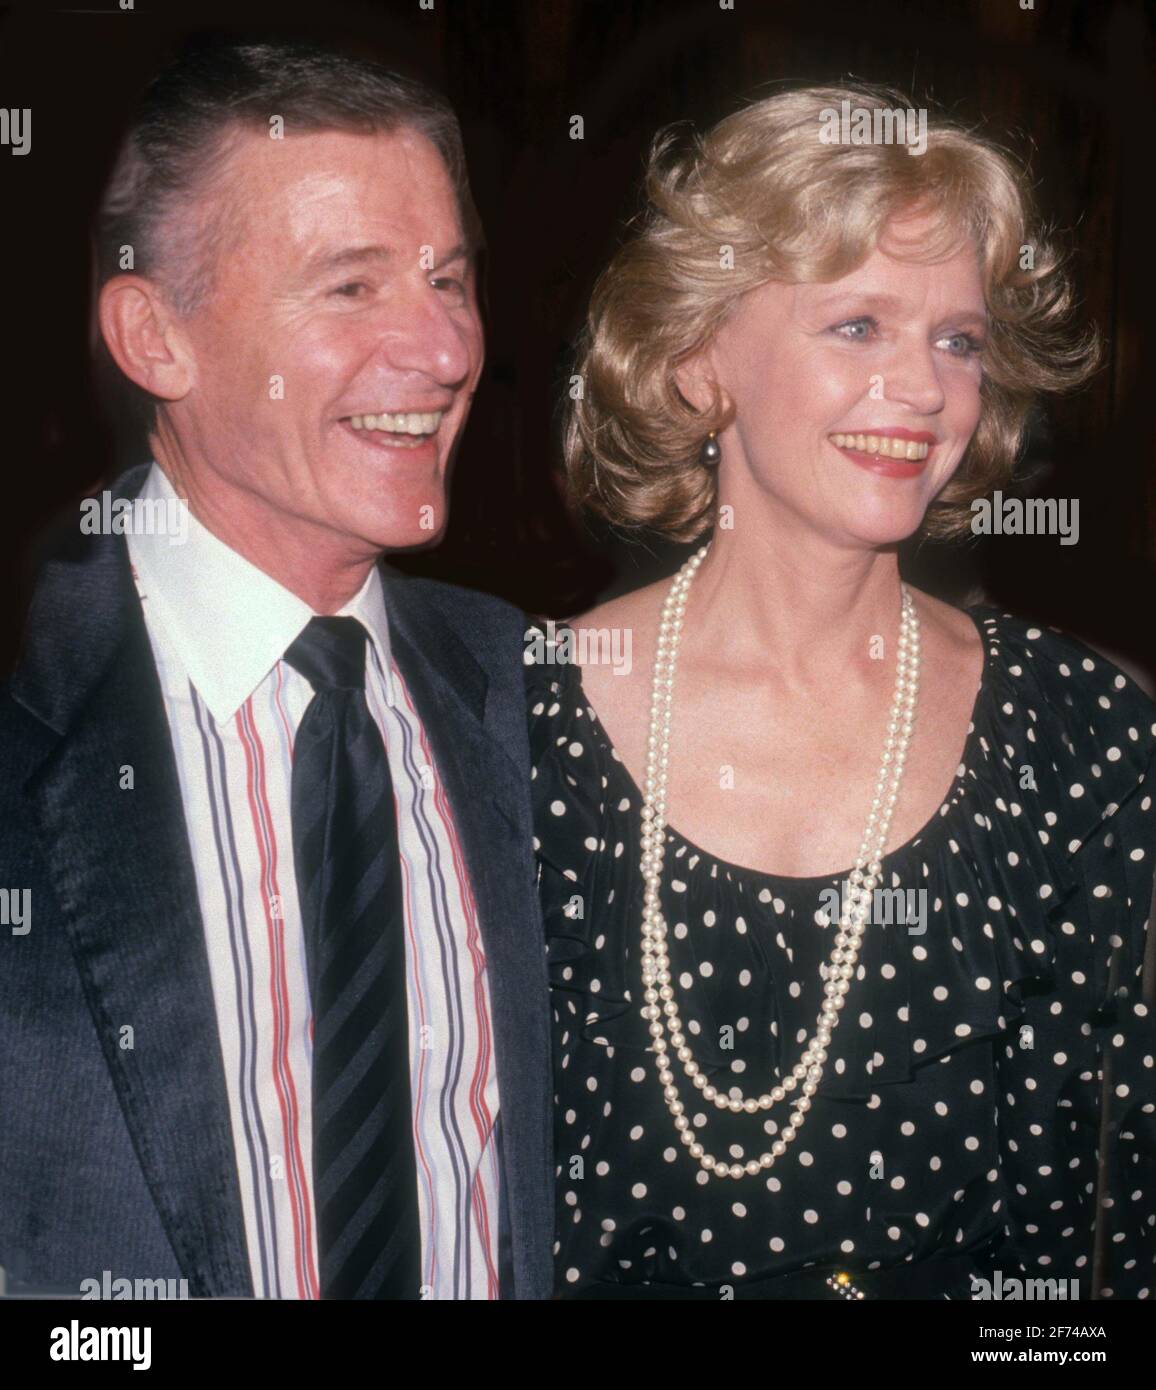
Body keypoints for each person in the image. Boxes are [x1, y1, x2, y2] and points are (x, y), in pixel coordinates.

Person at [526, 82, 1156, 1300]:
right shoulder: (512, 721)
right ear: (699, 362)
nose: (922, 388)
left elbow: (1103, 1238)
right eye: (858, 325)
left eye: (956, 340)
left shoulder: (1082, 735)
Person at [0, 38, 551, 1301]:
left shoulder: (539, 695)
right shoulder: (26, 717)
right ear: (156, 336)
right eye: (350, 288)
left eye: (448, 280)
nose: (444, 349)